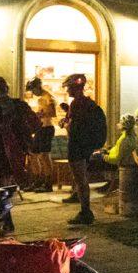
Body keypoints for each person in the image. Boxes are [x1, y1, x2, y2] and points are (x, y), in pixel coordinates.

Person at [0, 76, 38, 234]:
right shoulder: (19, 104)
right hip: (17, 149)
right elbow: (36, 123)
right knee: (5, 183)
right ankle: (0, 217)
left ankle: (6, 222)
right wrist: (23, 134)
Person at [60, 74, 107, 226]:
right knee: (81, 179)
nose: (67, 91)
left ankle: (85, 212)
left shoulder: (76, 104)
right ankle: (83, 207)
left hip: (76, 146)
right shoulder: (88, 103)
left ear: (74, 88)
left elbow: (73, 128)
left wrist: (65, 124)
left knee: (81, 180)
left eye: (68, 88)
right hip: (86, 146)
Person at [23, 76, 58, 192]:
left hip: (47, 128)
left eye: (33, 90)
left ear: (38, 87)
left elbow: (53, 112)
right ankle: (37, 180)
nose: (33, 93)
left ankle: (48, 184)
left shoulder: (48, 97)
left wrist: (40, 114)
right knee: (33, 154)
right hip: (40, 128)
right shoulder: (41, 98)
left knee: (44, 155)